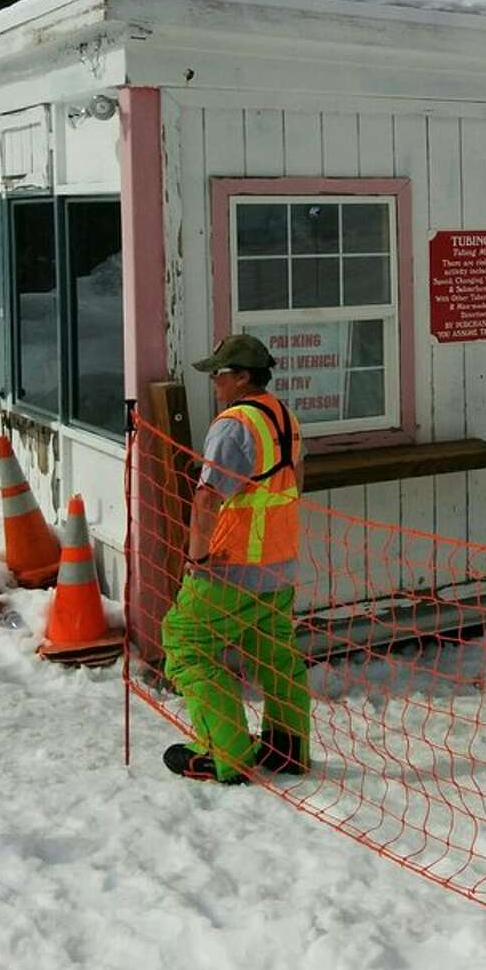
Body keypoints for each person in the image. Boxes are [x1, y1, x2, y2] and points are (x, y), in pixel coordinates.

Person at [161, 333, 312, 785]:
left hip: (228, 565)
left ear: (243, 376)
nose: (214, 383)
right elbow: (294, 482)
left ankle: (227, 754)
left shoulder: (233, 425)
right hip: (278, 563)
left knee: (185, 645)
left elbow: (207, 502)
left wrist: (197, 558)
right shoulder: (284, 417)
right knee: (275, 656)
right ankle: (288, 749)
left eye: (220, 375)